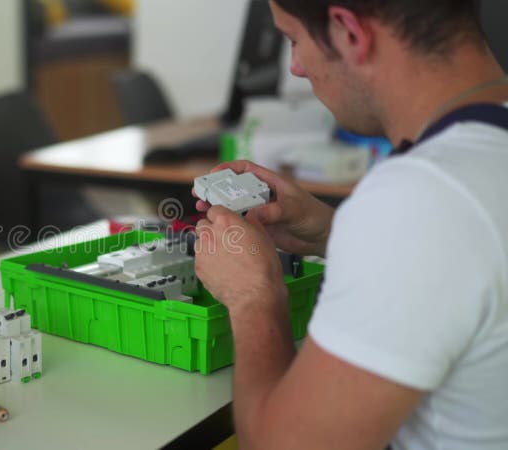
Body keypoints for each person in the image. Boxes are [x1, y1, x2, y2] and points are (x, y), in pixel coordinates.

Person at [193, 1, 508, 449]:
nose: (297, 67)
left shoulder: (422, 200)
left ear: (348, 32)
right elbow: (464, 266)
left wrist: (252, 298)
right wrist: (330, 231)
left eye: (293, 40)